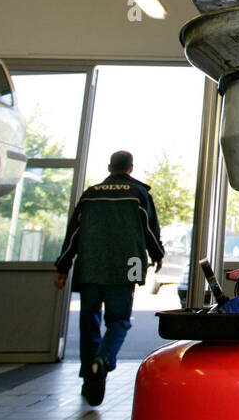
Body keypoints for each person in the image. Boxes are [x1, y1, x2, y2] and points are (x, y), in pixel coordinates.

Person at [54, 150, 165, 406]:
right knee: (119, 321)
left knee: (89, 322)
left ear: (109, 167)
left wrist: (62, 266)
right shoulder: (138, 194)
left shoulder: (91, 193)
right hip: (126, 267)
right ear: (131, 168)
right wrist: (157, 254)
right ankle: (102, 361)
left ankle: (88, 377)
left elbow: (73, 233)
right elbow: (150, 229)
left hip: (90, 267)